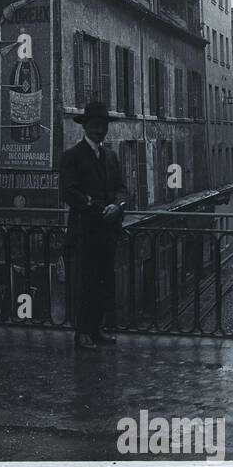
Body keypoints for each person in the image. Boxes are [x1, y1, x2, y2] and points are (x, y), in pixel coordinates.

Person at [60, 101, 129, 350]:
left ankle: (97, 329)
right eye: (95, 125)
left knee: (102, 283)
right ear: (85, 127)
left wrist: (118, 206)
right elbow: (68, 192)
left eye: (103, 125)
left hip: (107, 233)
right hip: (84, 232)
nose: (100, 130)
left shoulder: (110, 156)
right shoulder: (72, 156)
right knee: (84, 283)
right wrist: (102, 209)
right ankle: (82, 334)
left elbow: (121, 188)